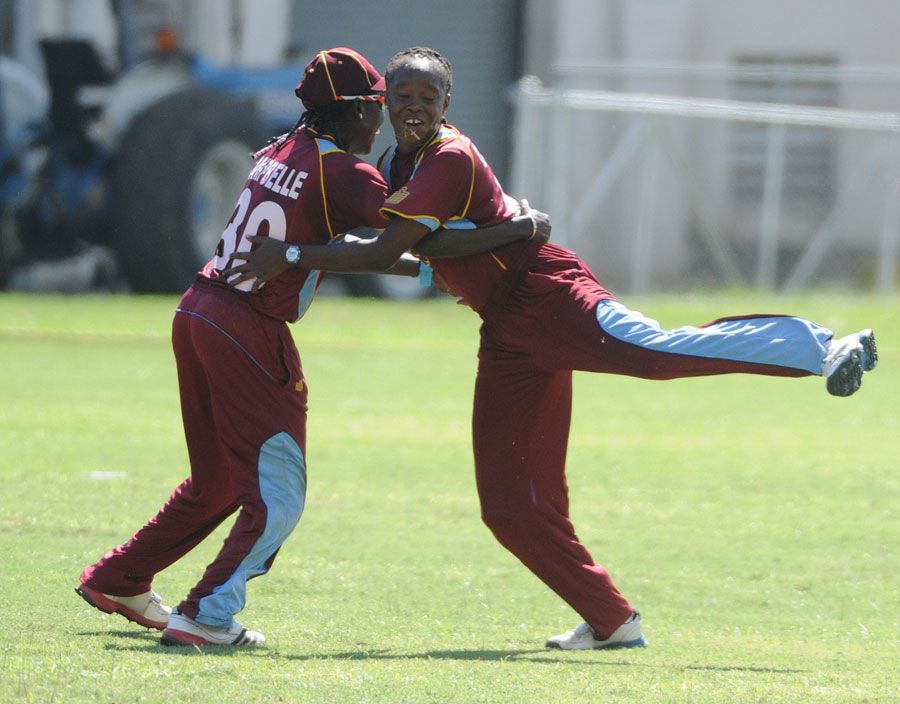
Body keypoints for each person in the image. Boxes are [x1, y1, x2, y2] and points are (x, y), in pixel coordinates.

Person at [224, 47, 878, 651]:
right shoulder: (396, 166)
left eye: (429, 96)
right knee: (508, 507)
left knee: (654, 350)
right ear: (386, 103)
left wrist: (291, 253)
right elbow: (421, 254)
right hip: (505, 329)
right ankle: (611, 621)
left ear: (447, 105)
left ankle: (821, 345)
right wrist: (509, 224)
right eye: (403, 96)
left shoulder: (447, 158)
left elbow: (394, 248)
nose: (415, 107)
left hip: (548, 294)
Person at [75, 47, 547, 648]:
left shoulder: (281, 148)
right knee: (277, 495)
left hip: (198, 309)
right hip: (246, 326)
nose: (382, 118)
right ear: (351, 111)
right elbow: (412, 239)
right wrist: (518, 229)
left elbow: (356, 245)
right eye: (377, 104)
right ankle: (207, 615)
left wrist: (425, 274)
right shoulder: (344, 172)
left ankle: (121, 578)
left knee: (218, 478)